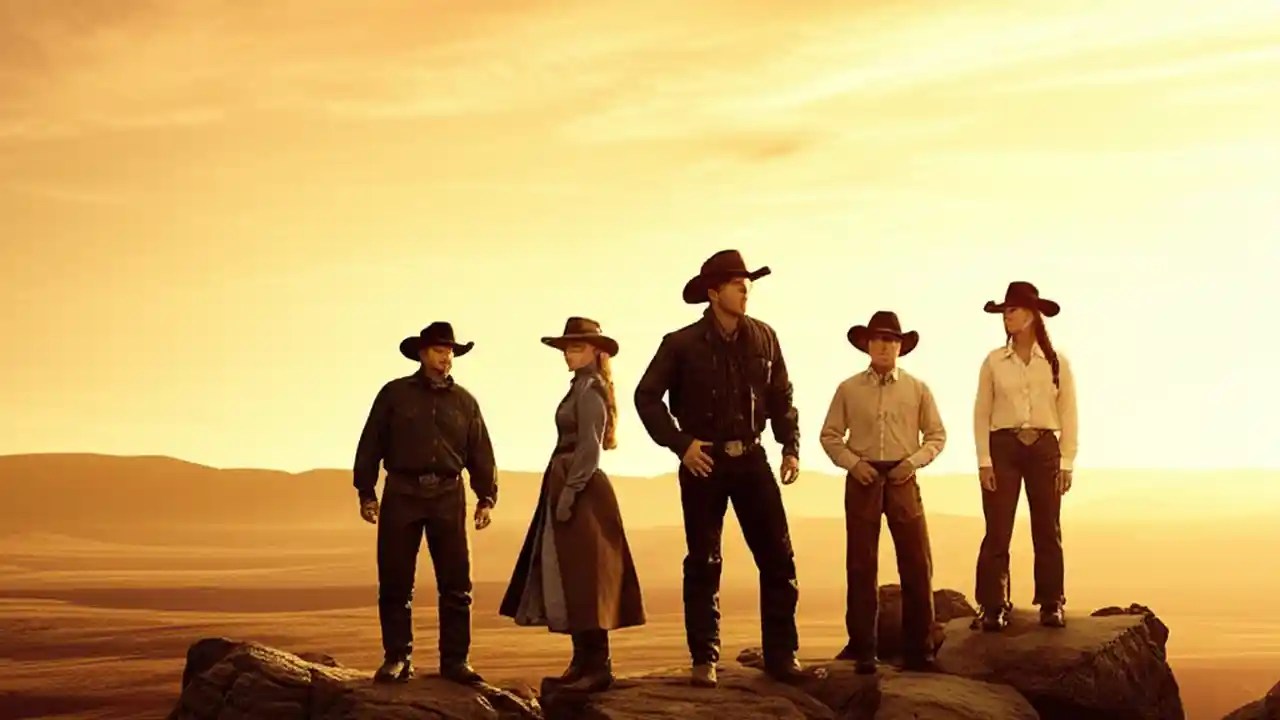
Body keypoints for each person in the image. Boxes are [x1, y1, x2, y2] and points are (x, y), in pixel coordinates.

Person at [634, 249, 812, 688]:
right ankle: (703, 659)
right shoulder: (680, 344)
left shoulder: (765, 338)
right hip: (703, 462)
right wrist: (681, 445)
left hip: (753, 458)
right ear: (714, 293)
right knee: (703, 561)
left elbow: (781, 396)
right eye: (736, 283)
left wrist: (790, 445)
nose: (745, 289)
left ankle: (781, 655)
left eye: (747, 282)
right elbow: (646, 397)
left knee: (778, 557)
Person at [499, 316, 646, 693]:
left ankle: (597, 666)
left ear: (596, 352)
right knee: (573, 575)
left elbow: (589, 449)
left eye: (576, 347)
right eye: (566, 347)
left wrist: (569, 493)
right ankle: (583, 662)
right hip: (567, 484)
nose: (568, 353)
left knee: (586, 577)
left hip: (581, 491)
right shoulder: (581, 387)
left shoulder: (590, 390)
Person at [352, 321, 498, 684]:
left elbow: (480, 449)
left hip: (449, 493)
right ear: (421, 353)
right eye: (438, 350)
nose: (446, 357)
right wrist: (366, 491)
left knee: (456, 582)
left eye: (450, 351)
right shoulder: (394, 395)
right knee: (395, 579)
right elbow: (372, 441)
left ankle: (456, 661)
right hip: (402, 491)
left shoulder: (465, 401)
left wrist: (486, 496)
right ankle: (398, 658)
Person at [819, 311, 946, 675]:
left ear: (901, 346)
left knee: (917, 563)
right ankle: (864, 650)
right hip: (863, 476)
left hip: (903, 475)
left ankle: (920, 652)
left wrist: (914, 462)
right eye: (877, 339)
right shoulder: (848, 389)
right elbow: (830, 435)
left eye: (891, 339)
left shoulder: (918, 389)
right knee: (861, 565)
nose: (884, 345)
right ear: (867, 345)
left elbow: (936, 435)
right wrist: (852, 463)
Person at [972, 282, 1078, 631]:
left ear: (1031, 315)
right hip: (1003, 446)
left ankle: (1051, 602)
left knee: (1047, 527)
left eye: (1012, 310)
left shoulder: (1055, 362)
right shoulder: (993, 361)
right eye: (1004, 312)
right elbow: (981, 412)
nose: (1007, 316)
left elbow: (1069, 412)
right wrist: (984, 461)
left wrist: (1066, 462)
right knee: (998, 528)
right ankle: (992, 604)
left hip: (1045, 447)